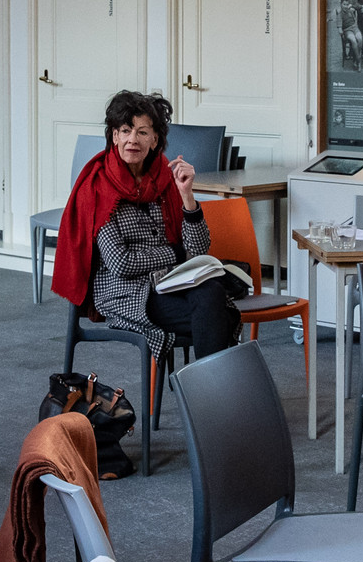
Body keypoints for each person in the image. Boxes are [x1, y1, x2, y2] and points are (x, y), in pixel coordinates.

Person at [51, 91, 238, 363]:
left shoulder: (167, 179)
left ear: (155, 139)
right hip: (125, 293)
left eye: (142, 132)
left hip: (170, 283)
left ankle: (204, 391)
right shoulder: (99, 189)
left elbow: (197, 251)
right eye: (125, 130)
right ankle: (208, 393)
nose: (132, 140)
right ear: (114, 136)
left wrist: (187, 196)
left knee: (211, 296)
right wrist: (175, 254)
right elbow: (121, 263)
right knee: (218, 312)